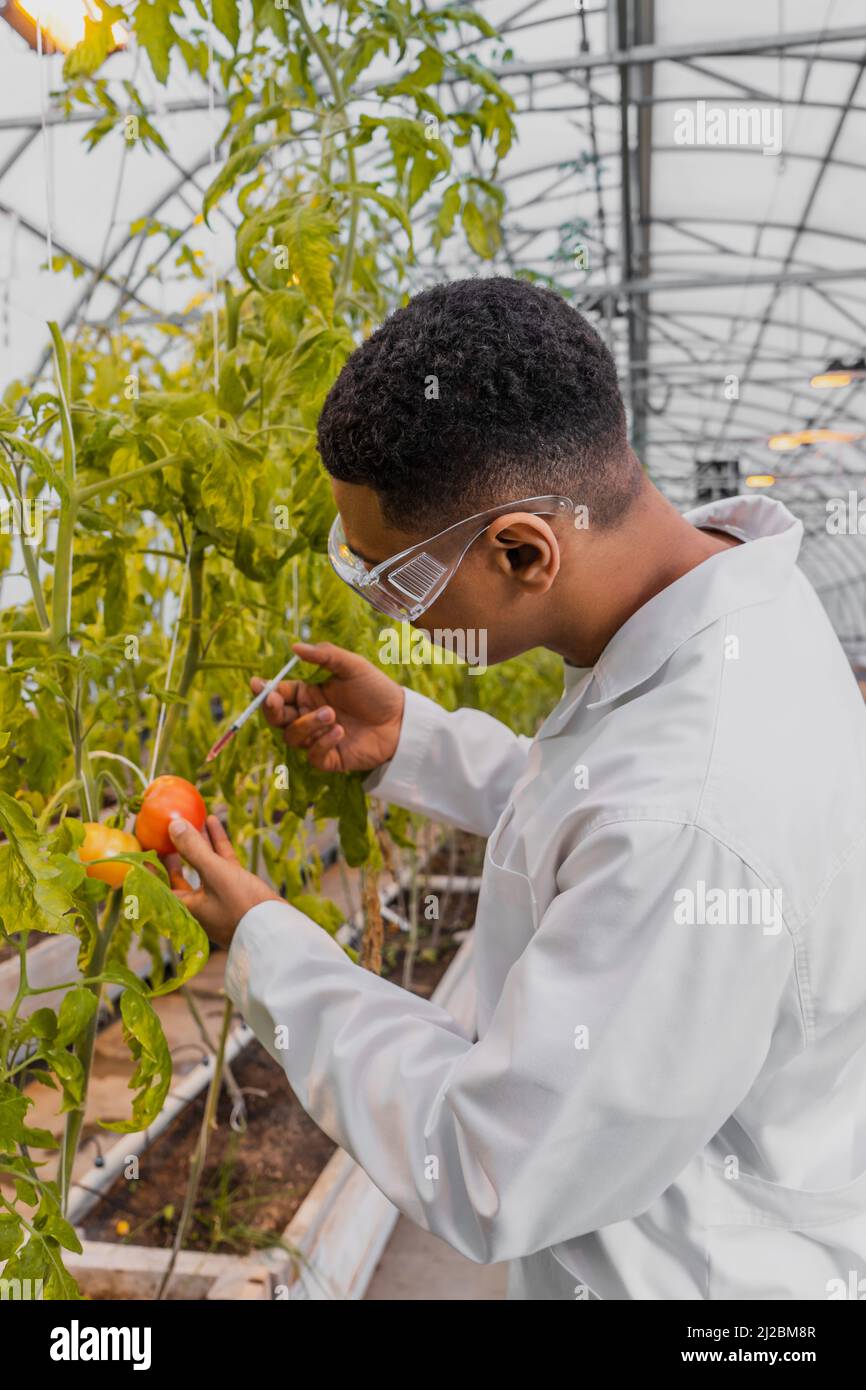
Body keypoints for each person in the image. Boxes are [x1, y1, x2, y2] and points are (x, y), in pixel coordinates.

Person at [166, 278, 866, 1300]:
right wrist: (416, 739)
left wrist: (271, 944)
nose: (389, 614)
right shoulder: (726, 607)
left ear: (522, 550)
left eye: (392, 579)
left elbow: (490, 1161)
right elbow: (598, 824)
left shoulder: (688, 810)